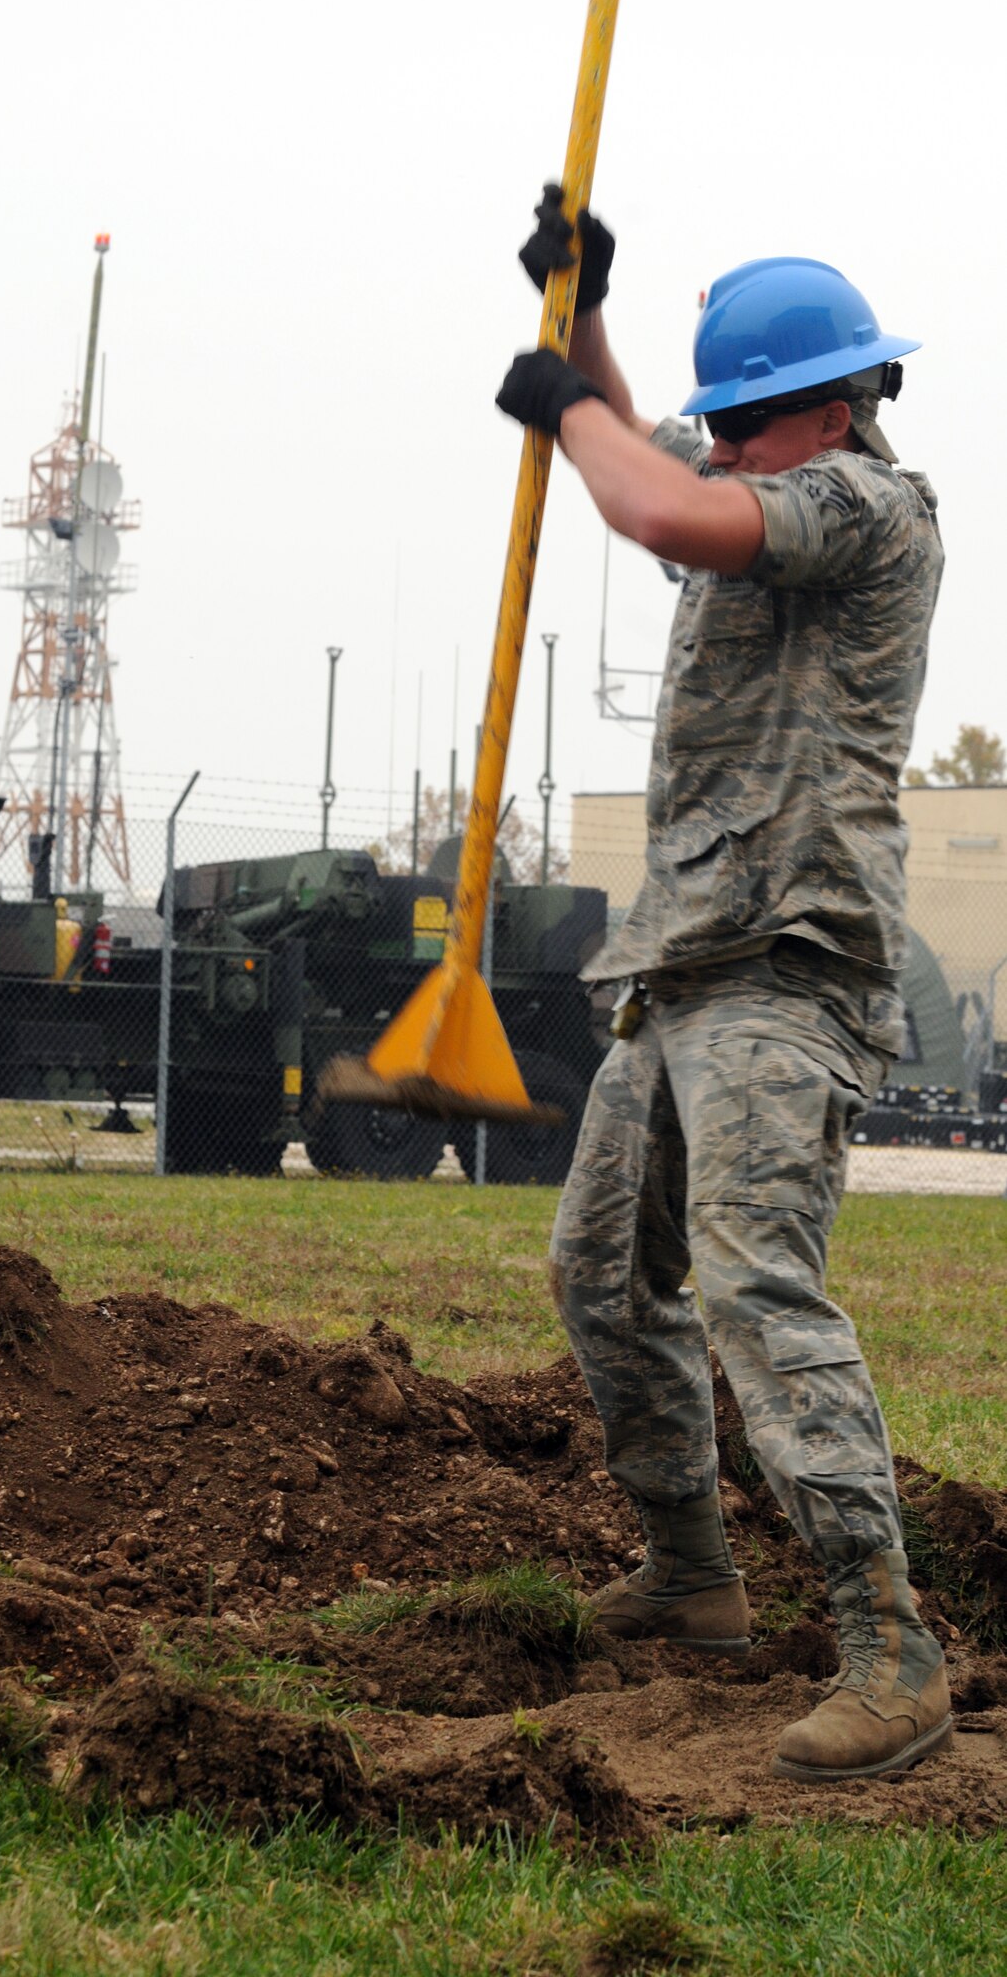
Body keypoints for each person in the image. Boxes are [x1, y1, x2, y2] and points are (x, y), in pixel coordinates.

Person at [495, 186, 950, 1784]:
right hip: (685, 956)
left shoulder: (861, 509)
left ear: (830, 406)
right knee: (602, 1273)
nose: (721, 447)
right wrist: (581, 317)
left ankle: (890, 1650)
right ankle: (693, 1576)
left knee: (756, 1285)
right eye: (719, 425)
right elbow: (656, 466)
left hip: (788, 962)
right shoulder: (750, 479)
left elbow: (655, 508)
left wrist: (560, 408)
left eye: (743, 423)